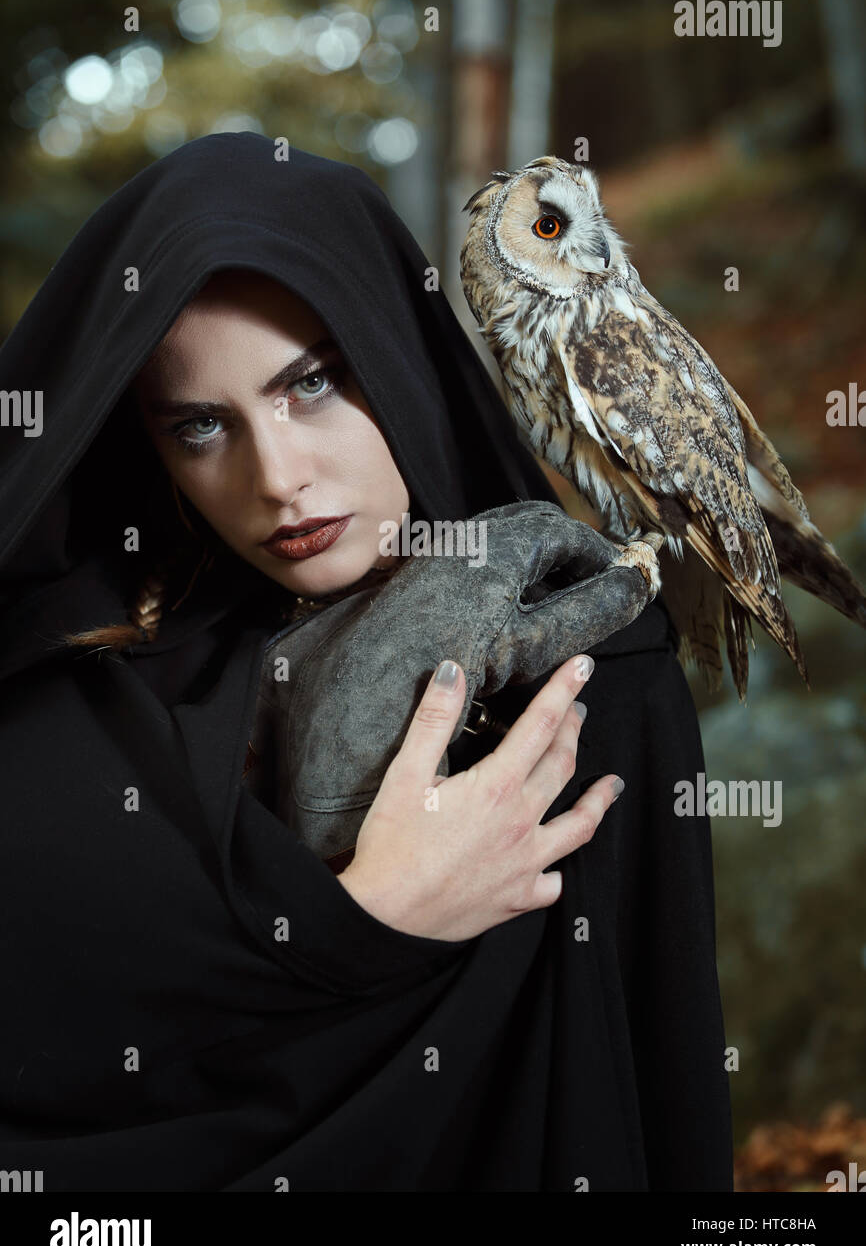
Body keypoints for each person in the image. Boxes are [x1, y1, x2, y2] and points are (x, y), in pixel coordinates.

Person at [0, 131, 733, 1191]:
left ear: (396, 351)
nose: (279, 477)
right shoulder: (83, 690)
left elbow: (637, 1089)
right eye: (201, 427)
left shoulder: (589, 665)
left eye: (314, 383)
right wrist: (371, 921)